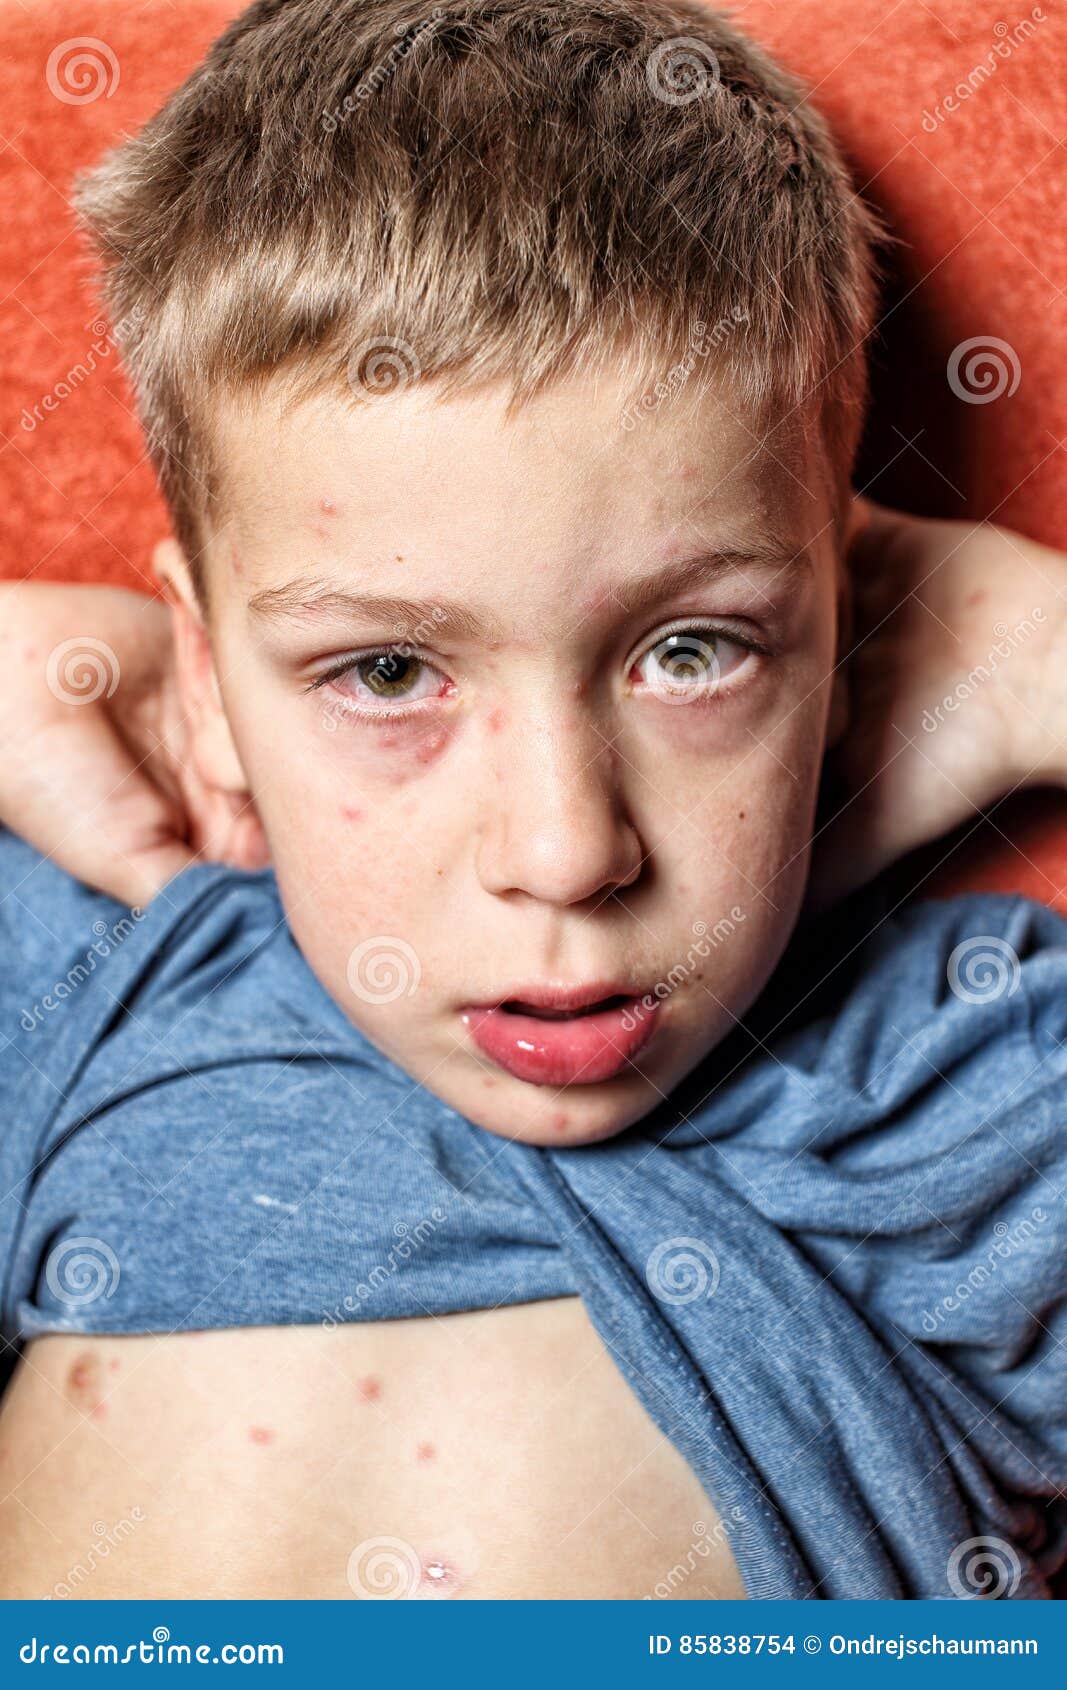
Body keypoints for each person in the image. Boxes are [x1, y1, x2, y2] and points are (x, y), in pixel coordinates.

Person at [1, 0, 1065, 1601]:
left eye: (693, 649)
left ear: (846, 642)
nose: (567, 851)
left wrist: (1034, 650)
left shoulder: (973, 1099)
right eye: (383, 671)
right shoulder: (112, 984)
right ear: (211, 680)